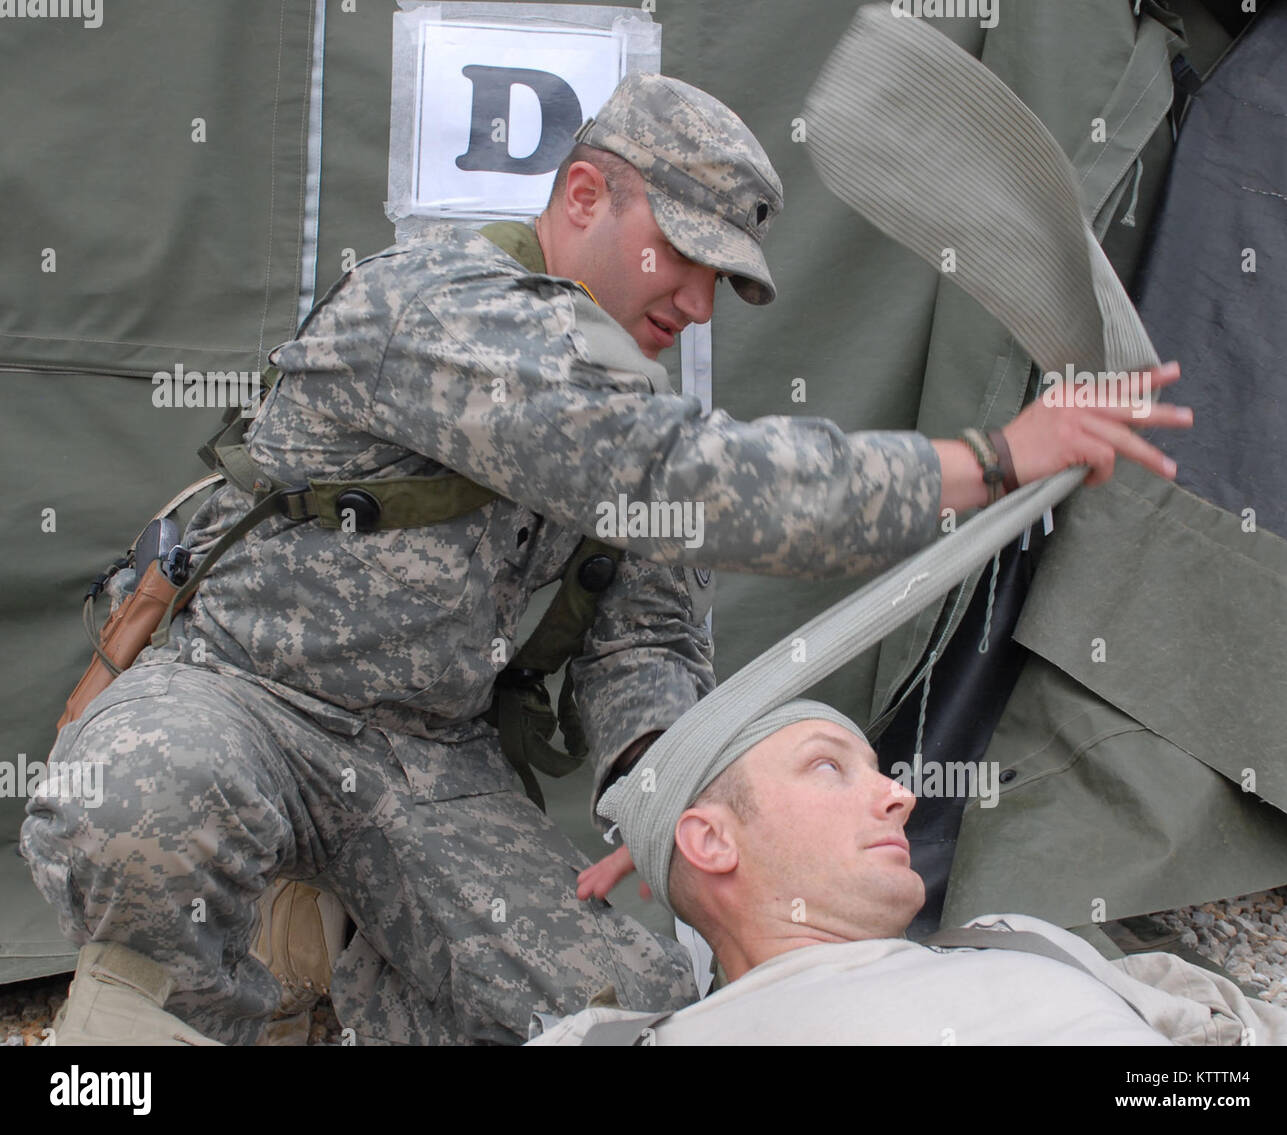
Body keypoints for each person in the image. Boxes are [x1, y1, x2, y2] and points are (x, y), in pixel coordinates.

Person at [22, 72, 1190, 1046]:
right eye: (682, 255)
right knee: (135, 799)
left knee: (630, 1009)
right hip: (250, 699)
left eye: (724, 281)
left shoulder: (631, 399)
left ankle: (336, 970)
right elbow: (673, 478)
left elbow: (645, 635)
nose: (697, 304)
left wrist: (657, 791)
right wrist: (989, 457)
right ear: (584, 195)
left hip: (426, 759)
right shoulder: (439, 307)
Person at [536, 700, 1287, 1045]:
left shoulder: (1016, 941)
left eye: (881, 771)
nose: (900, 795)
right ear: (711, 841)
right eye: (829, 767)